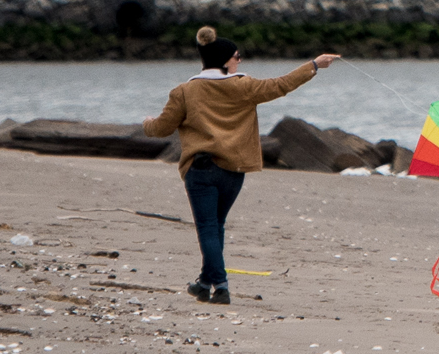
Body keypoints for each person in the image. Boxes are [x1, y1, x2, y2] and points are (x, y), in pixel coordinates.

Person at [138, 27, 345, 303]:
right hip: (233, 172)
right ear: (225, 60)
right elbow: (281, 84)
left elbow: (162, 128)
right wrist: (314, 66)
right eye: (237, 56)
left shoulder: (185, 92)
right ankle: (205, 283)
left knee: (209, 227)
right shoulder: (244, 86)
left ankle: (220, 285)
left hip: (200, 171)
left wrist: (146, 123)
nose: (240, 60)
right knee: (216, 225)